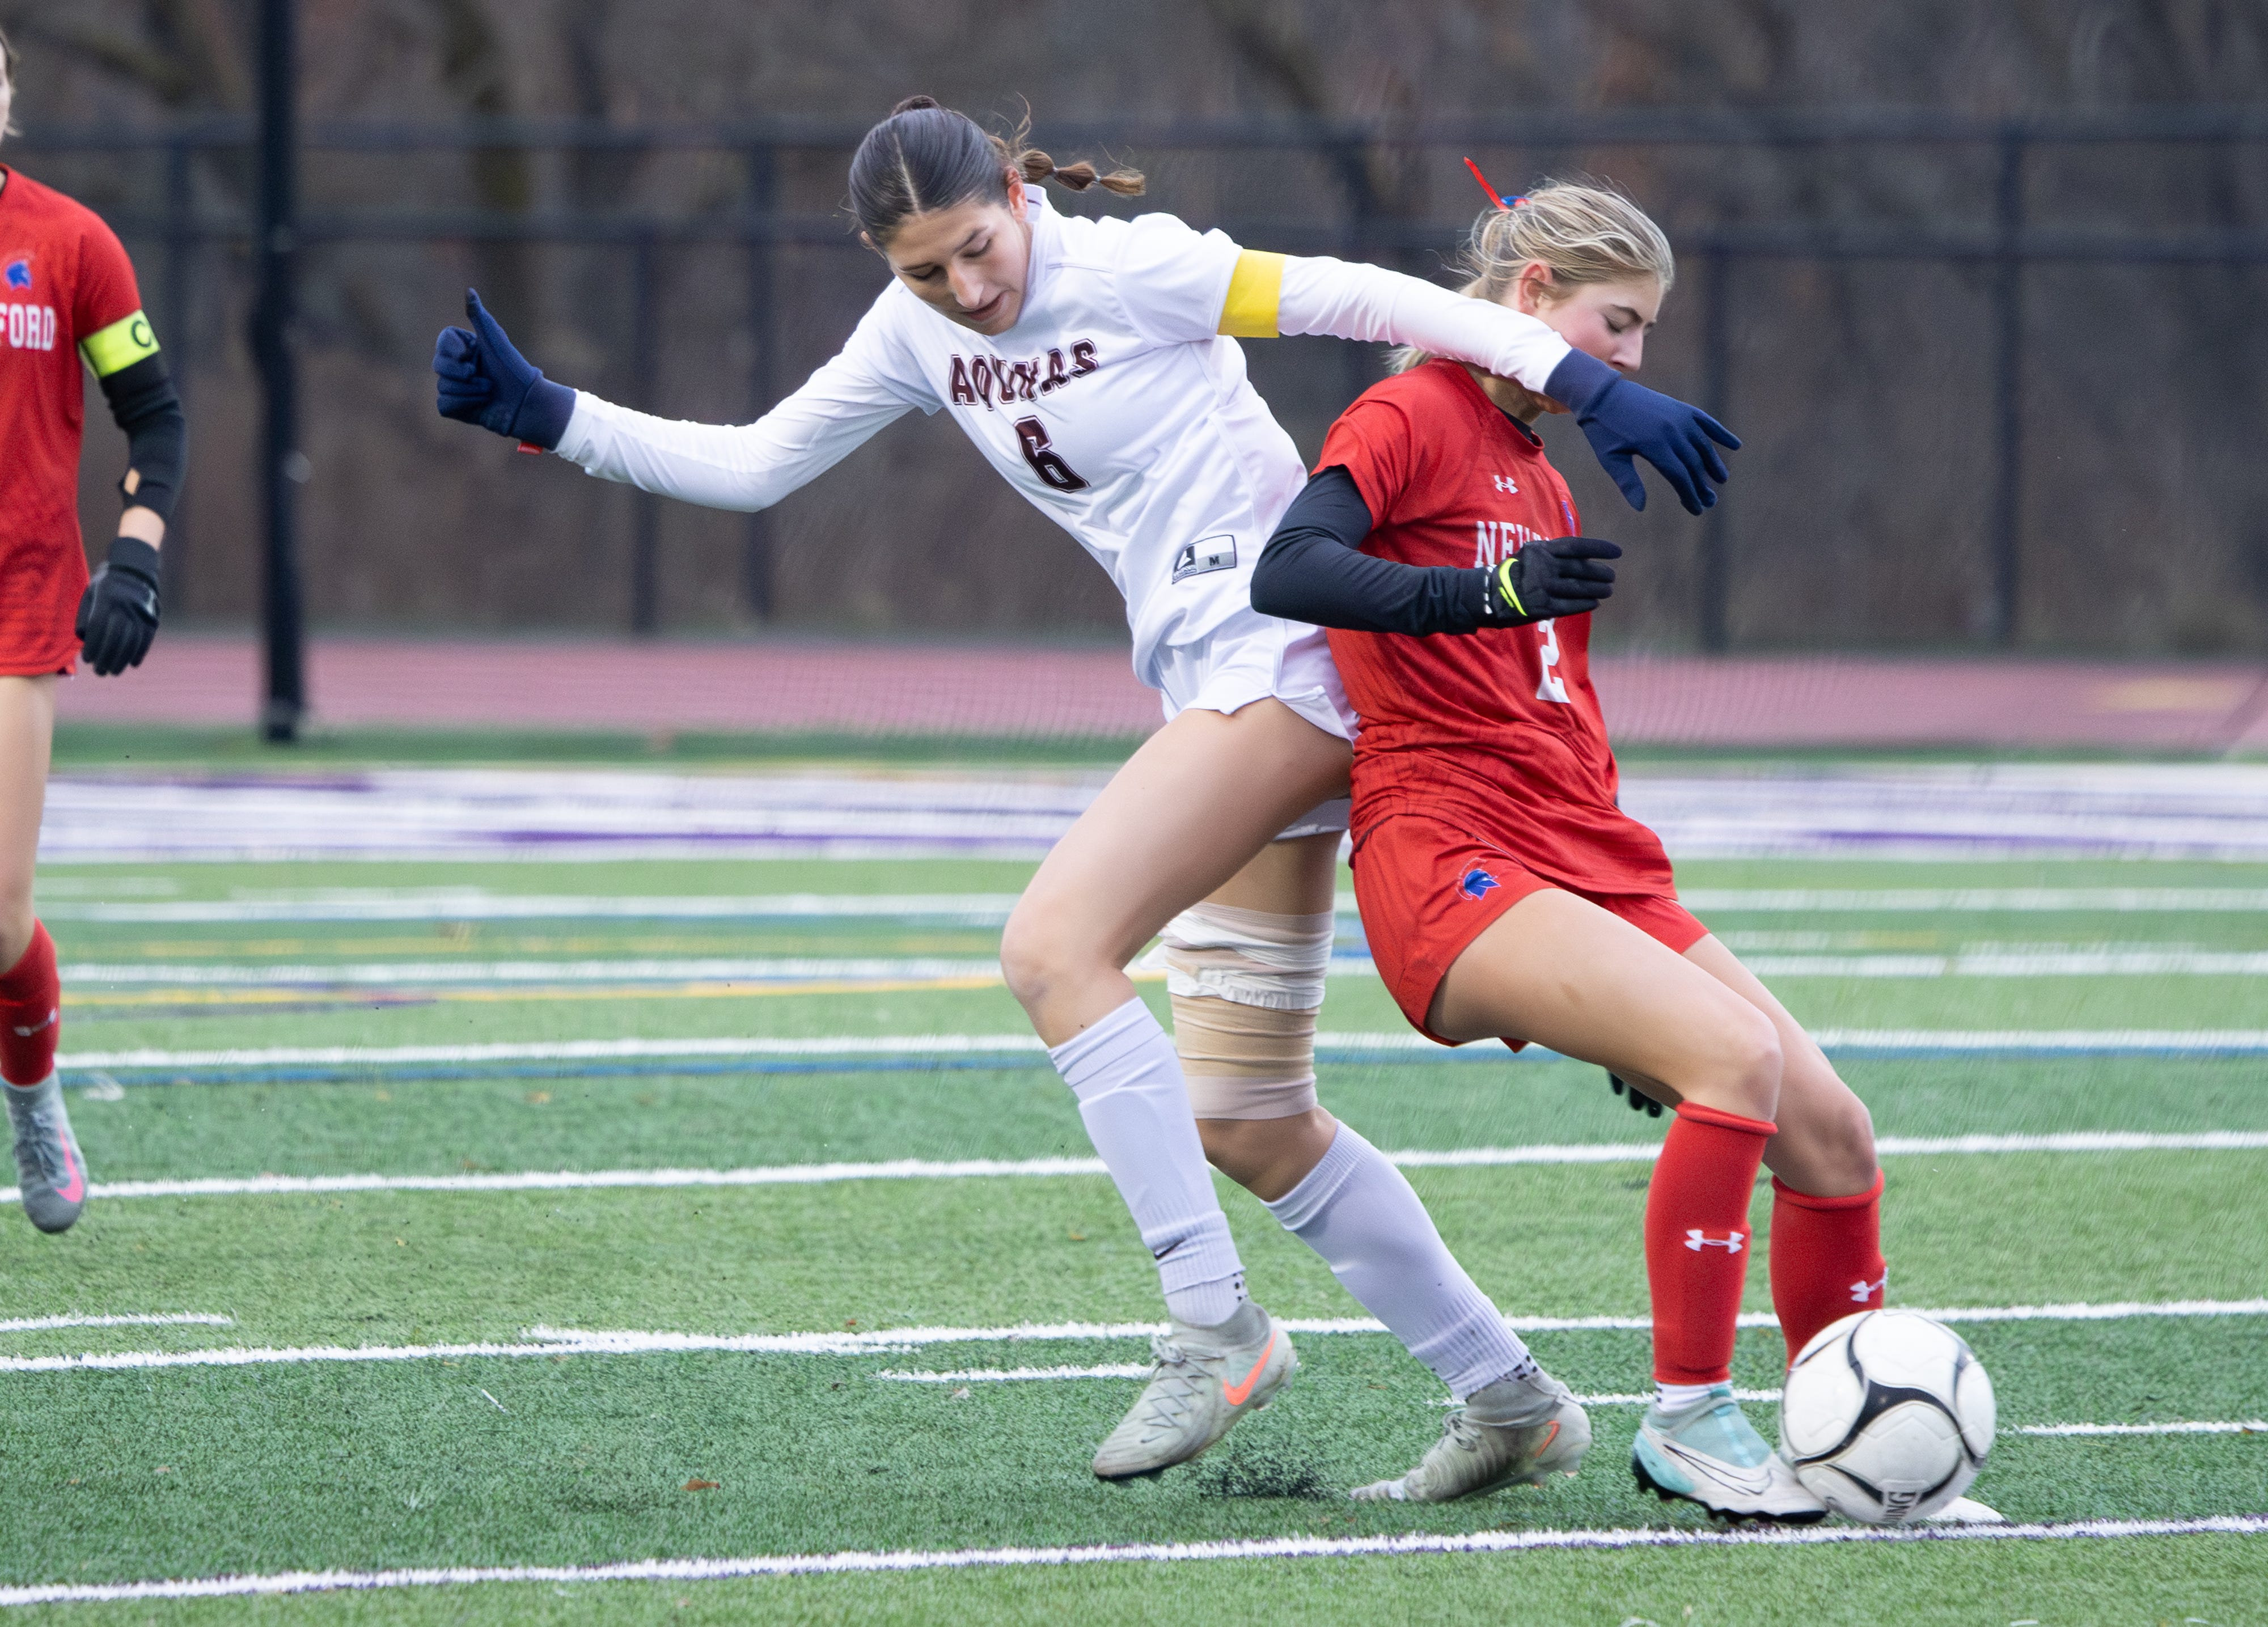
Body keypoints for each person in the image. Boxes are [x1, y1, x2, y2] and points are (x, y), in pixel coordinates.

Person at [434, 99, 1737, 1491]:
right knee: (1245, 1117)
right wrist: (553, 416)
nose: (965, 290)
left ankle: (1212, 1325)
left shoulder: (1132, 266)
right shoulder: (911, 332)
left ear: (1015, 194)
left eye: (977, 250)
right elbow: (753, 467)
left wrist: (1579, 378)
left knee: (1051, 948)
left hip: (1285, 663)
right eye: (924, 270)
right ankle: (1507, 1398)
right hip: (1213, 685)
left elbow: (1367, 299)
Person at [1251, 179, 1884, 1520]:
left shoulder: (1535, 463)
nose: (1631, 360)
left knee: (1830, 1130)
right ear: (1530, 292)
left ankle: (1851, 1442)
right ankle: (1688, 1418)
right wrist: (1478, 590)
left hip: (1581, 849)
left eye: (1645, 331)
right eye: (1617, 323)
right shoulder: (1410, 412)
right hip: (1446, 847)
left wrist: (1615, 986)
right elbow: (1289, 568)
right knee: (1736, 1058)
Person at [0, 27, 187, 1235]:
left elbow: (154, 417)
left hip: (17, 602)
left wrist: (137, 558)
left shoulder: (70, 243)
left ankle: (32, 1093)